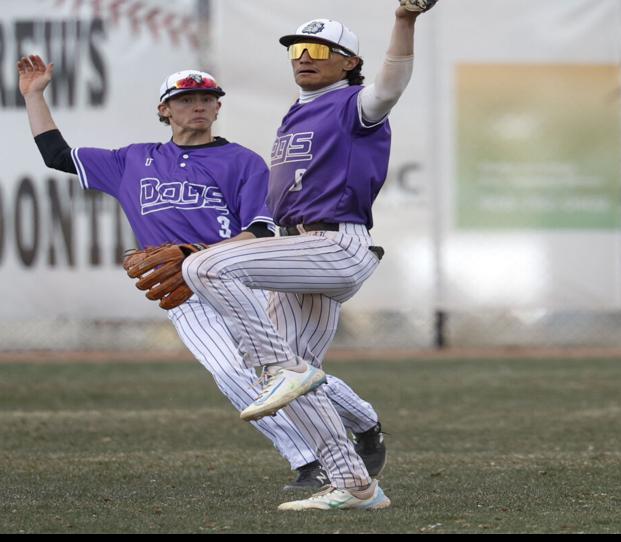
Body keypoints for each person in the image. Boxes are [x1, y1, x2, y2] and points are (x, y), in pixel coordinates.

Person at [17, 55, 387, 491]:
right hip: (182, 293)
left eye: (207, 99)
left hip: (237, 281)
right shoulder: (132, 161)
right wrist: (34, 95)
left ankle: (363, 421)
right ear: (164, 110)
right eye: (186, 99)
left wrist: (199, 254)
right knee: (231, 373)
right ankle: (308, 461)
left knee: (285, 368)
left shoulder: (242, 161)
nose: (198, 106)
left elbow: (259, 231)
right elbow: (57, 156)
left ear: (218, 108)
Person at [183, 6, 432, 511]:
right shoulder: (297, 111)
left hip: (335, 245)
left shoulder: (354, 104)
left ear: (349, 63)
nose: (304, 57)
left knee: (203, 269)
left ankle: (277, 365)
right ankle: (355, 485)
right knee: (300, 382)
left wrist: (404, 20)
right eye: (297, 50)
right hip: (300, 249)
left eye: (318, 50)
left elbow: (391, 83)